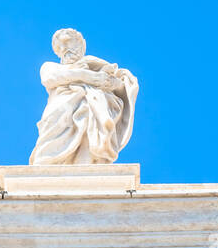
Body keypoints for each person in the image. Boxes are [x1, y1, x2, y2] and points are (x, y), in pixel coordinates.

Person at [30, 28, 138, 165]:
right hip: (61, 109)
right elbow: (50, 77)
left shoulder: (97, 65)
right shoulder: (49, 66)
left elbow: (121, 86)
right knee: (46, 155)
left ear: (81, 45)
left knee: (90, 133)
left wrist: (113, 84)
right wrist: (91, 77)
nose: (63, 49)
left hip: (91, 109)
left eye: (67, 42)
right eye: (59, 47)